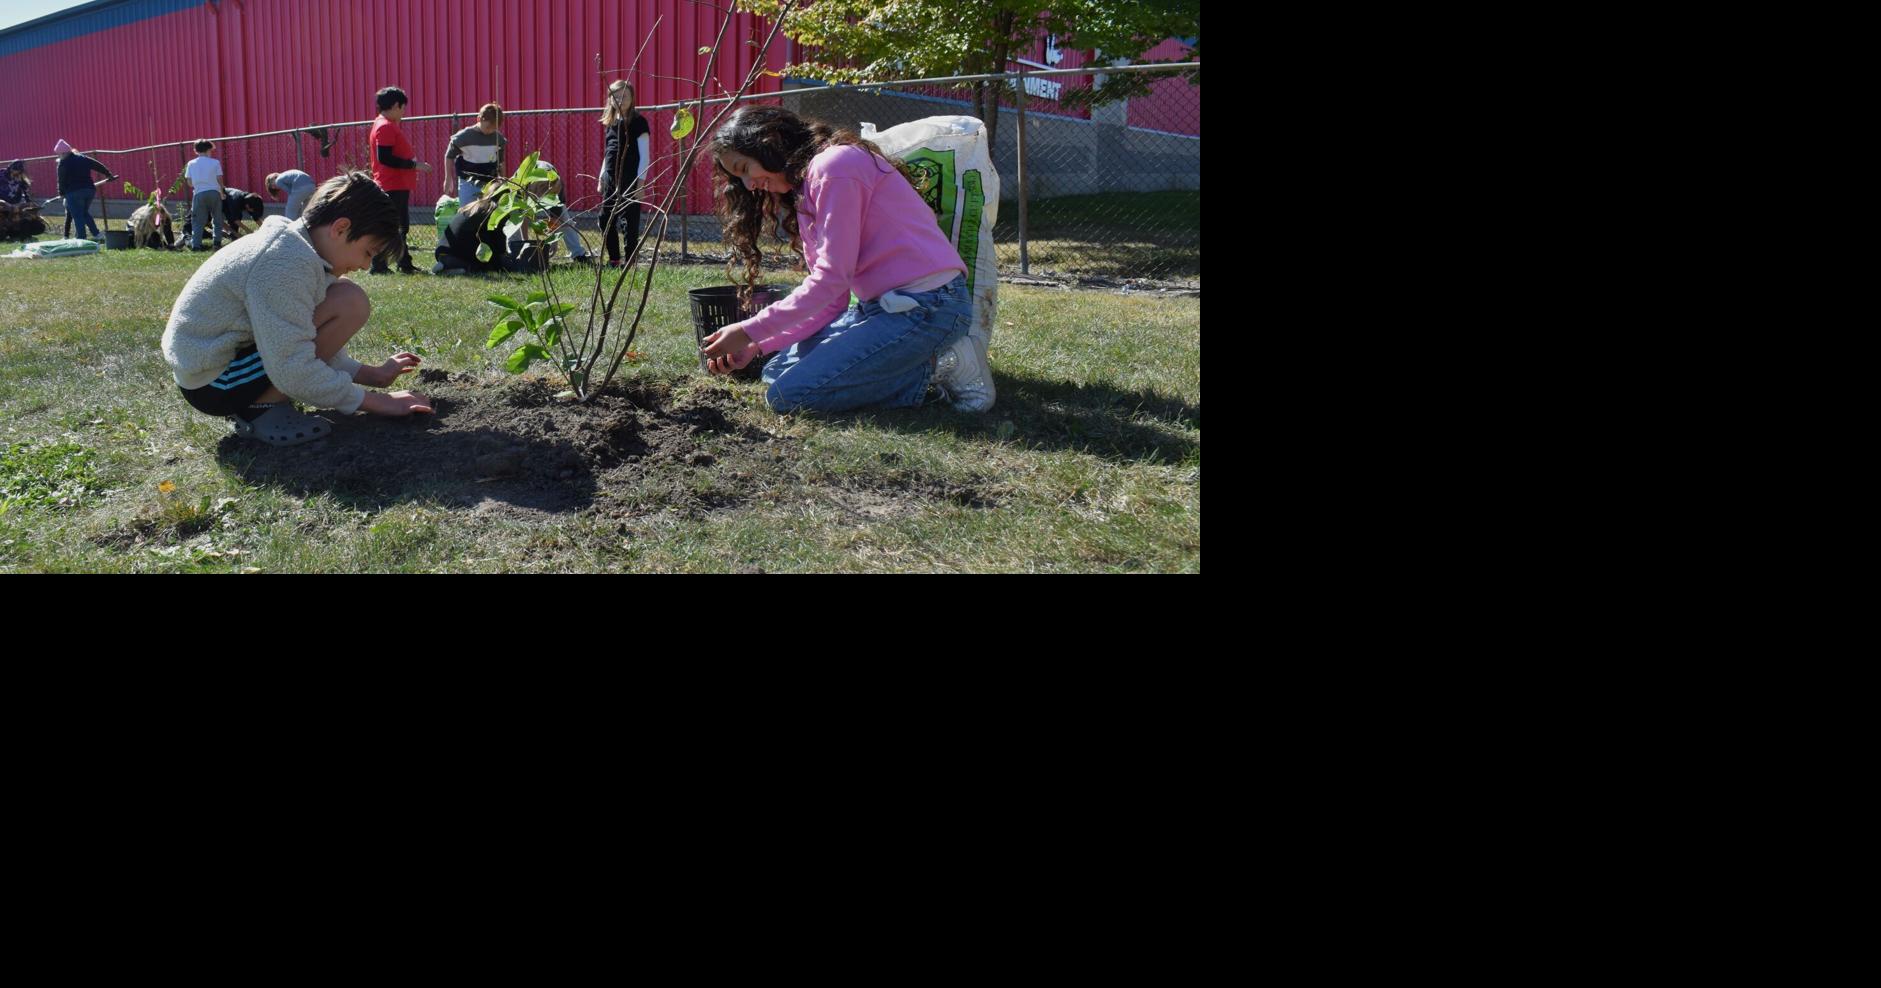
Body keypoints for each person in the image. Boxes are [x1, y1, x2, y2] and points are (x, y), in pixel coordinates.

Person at [699, 106, 995, 414]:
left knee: (788, 396)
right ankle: (908, 362)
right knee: (776, 370)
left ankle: (940, 365)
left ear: (768, 143)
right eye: (740, 177)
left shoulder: (835, 166)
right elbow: (832, 301)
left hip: (929, 307)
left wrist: (748, 330)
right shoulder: (806, 188)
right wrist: (757, 345)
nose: (749, 185)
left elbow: (830, 279)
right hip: (882, 309)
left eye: (745, 168)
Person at [161, 171, 434, 447]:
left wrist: (371, 375)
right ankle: (260, 410)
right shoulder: (284, 264)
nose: (365, 266)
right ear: (340, 228)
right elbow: (292, 366)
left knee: (346, 297)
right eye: (368, 253)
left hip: (228, 363)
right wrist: (377, 402)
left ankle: (262, 399)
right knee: (349, 301)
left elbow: (302, 337)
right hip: (213, 382)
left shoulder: (298, 251)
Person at [367, 86, 432, 274]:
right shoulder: (385, 126)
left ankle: (403, 263)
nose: (404, 112)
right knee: (394, 226)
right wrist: (415, 165)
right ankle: (379, 265)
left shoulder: (384, 124)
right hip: (392, 184)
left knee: (399, 226)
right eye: (403, 108)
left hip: (395, 184)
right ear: (396, 105)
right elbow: (385, 157)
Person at [597, 80, 649, 267]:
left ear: (632, 98)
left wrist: (640, 185)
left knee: (630, 221)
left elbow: (645, 156)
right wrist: (602, 177)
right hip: (610, 178)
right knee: (605, 218)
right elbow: (608, 153)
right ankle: (614, 259)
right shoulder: (611, 122)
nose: (620, 100)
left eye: (624, 96)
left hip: (630, 179)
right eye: (616, 96)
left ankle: (630, 261)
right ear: (610, 99)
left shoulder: (638, 122)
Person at [431, 194, 511, 277]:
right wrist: (501, 267)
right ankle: (457, 267)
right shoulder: (494, 212)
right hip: (457, 256)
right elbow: (497, 246)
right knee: (483, 267)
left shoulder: (473, 206)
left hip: (442, 253)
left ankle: (448, 266)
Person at [446, 103, 506, 210]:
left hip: (490, 183)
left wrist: (503, 179)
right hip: (468, 183)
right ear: (479, 119)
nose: (490, 131)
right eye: (488, 127)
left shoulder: (498, 139)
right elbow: (449, 156)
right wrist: (448, 178)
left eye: (494, 128)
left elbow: (501, 161)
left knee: (488, 212)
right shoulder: (463, 137)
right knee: (467, 212)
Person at [56, 139, 117, 241]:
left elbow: (61, 179)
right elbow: (97, 165)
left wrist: (61, 192)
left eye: (58, 154)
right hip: (89, 190)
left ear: (63, 153)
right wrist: (108, 174)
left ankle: (81, 238)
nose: (59, 156)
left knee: (77, 215)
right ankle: (97, 234)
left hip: (74, 192)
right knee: (84, 213)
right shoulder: (83, 158)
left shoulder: (63, 163)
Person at [184, 139, 224, 250]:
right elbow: (219, 179)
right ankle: (217, 242)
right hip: (214, 192)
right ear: (208, 150)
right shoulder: (215, 162)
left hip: (199, 193)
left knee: (197, 220)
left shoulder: (191, 163)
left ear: (196, 150)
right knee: (217, 218)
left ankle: (196, 245)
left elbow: (189, 182)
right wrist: (221, 192)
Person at [0, 160, 46, 241]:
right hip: (2, 206)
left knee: (39, 226)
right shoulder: (1, 175)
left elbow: (26, 193)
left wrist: (30, 204)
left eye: (20, 172)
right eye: (17, 171)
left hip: (16, 205)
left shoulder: (20, 178)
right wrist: (5, 204)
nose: (18, 174)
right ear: (11, 169)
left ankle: (22, 235)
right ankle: (6, 234)